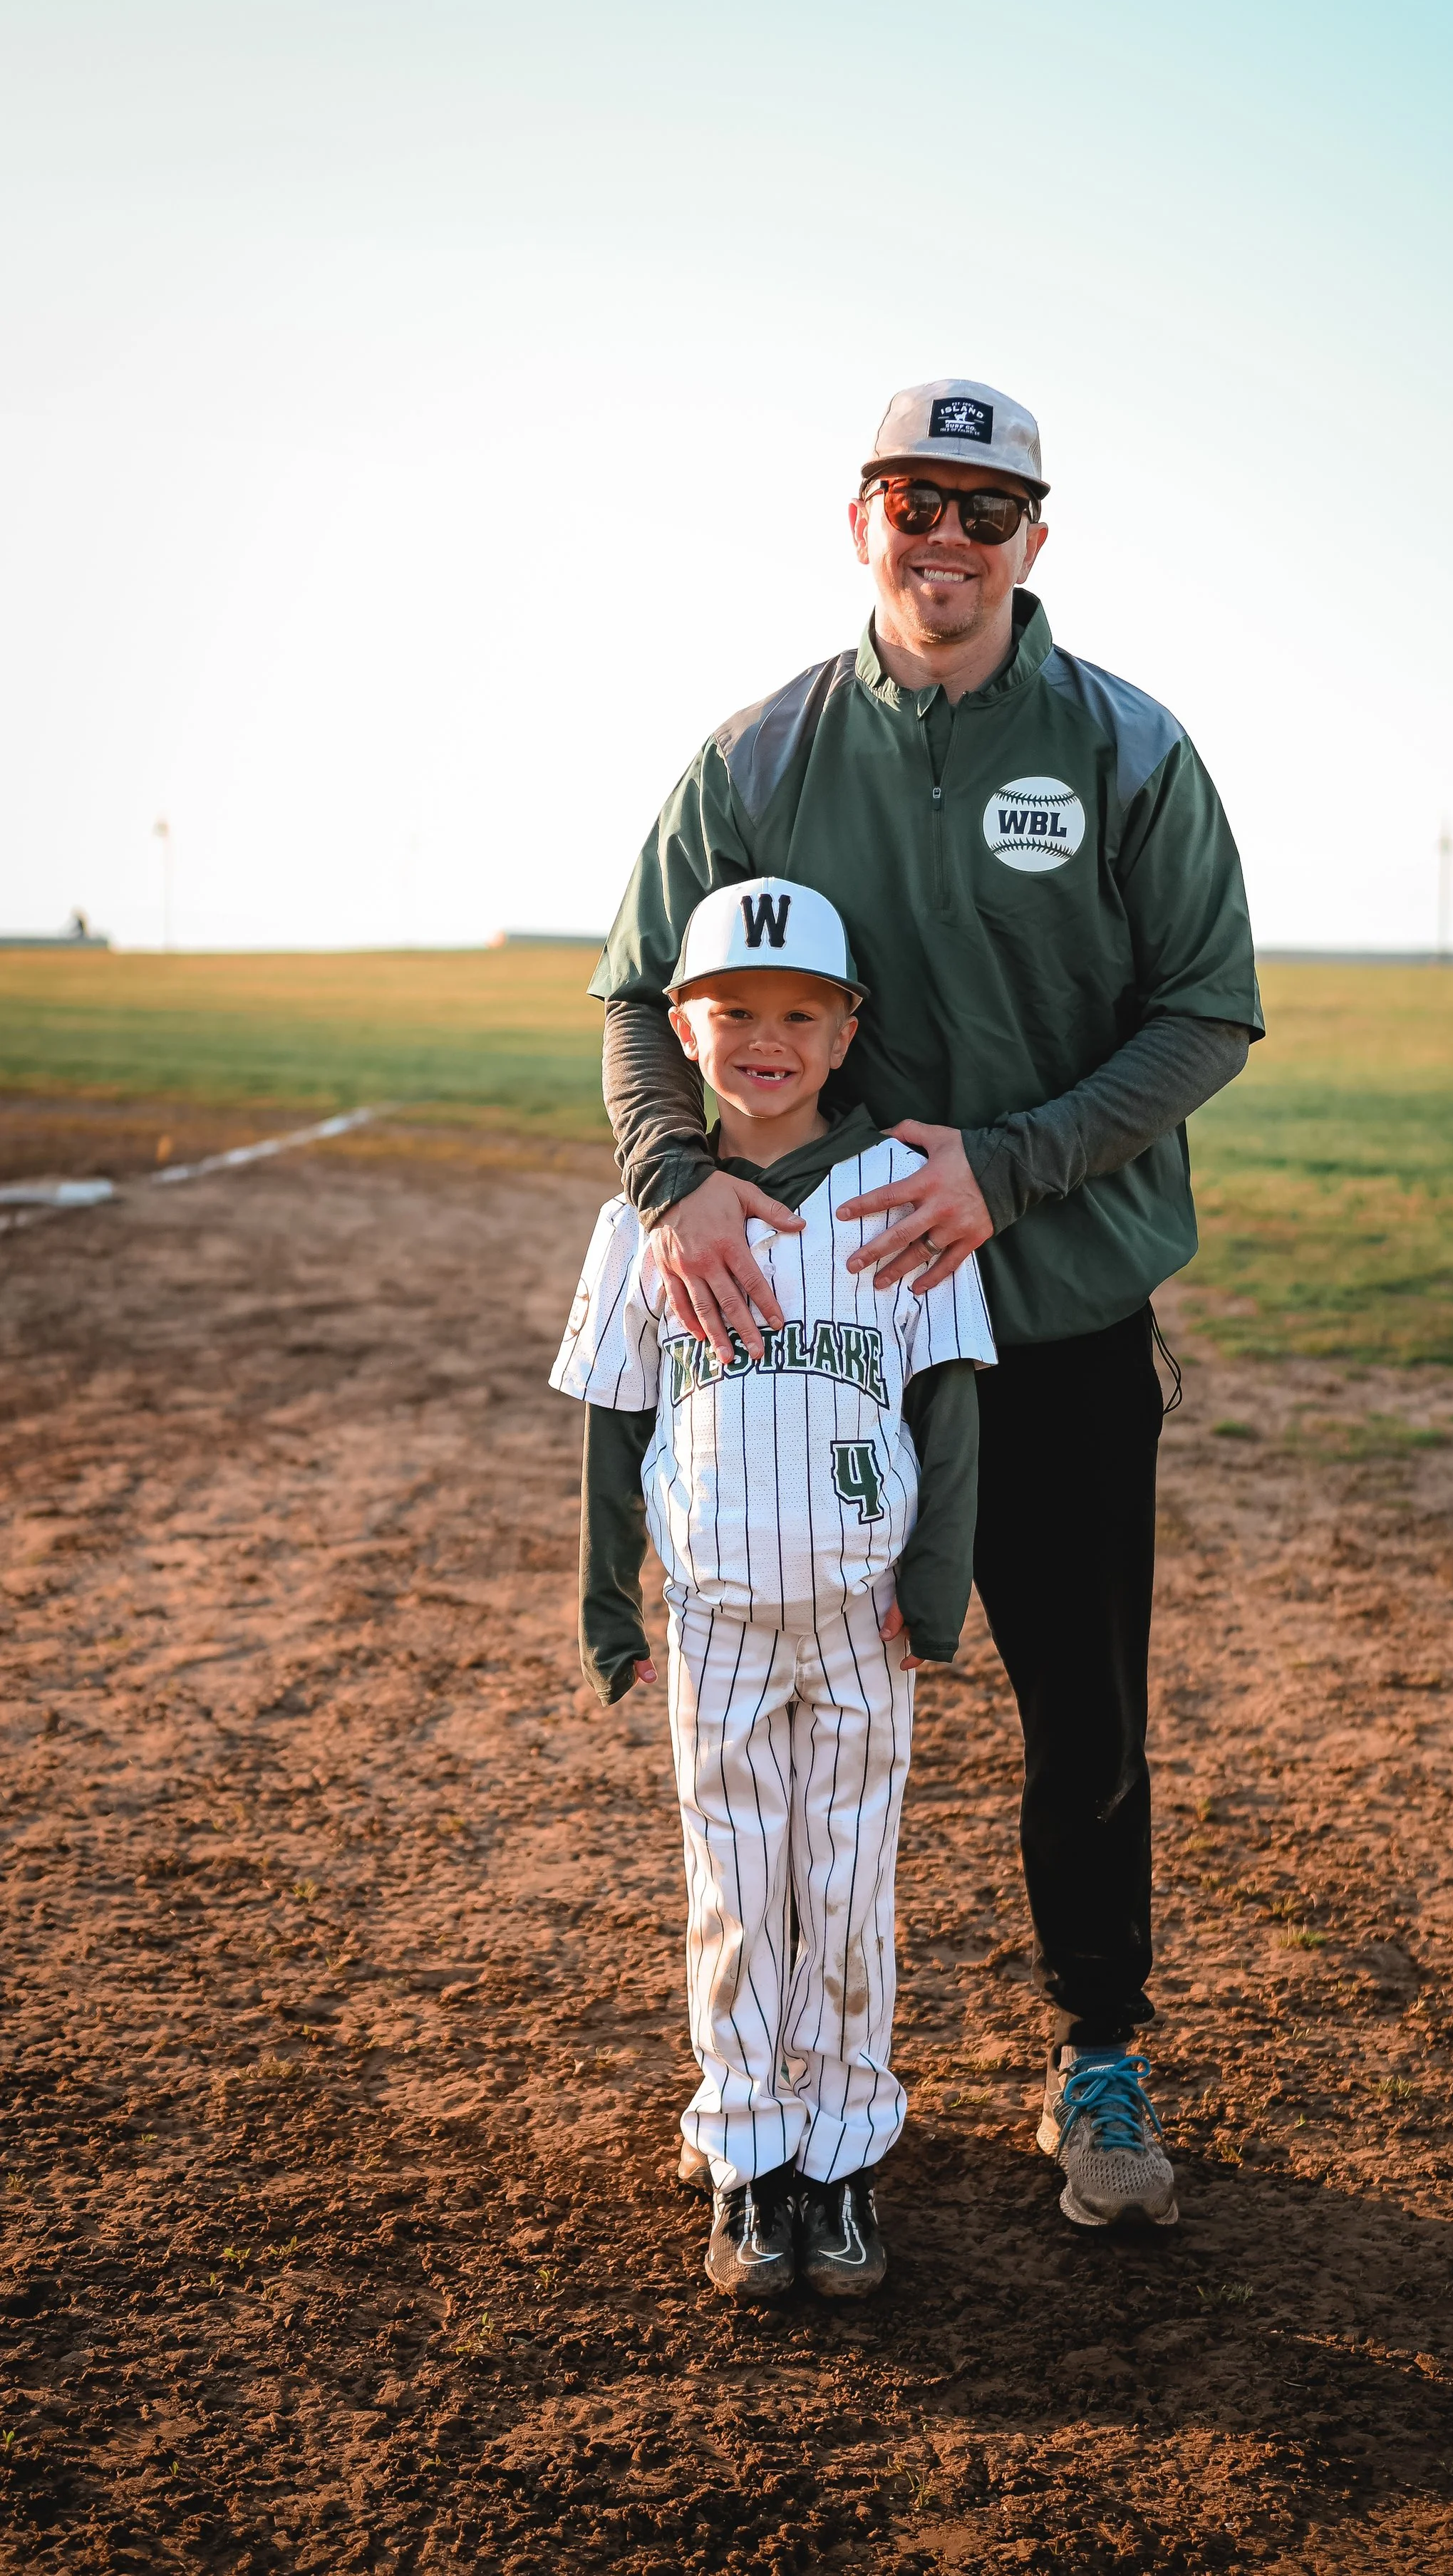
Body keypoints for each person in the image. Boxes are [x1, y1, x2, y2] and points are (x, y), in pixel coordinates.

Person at [594, 378, 1262, 2230]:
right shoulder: (756, 760)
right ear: (859, 517)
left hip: (1050, 1318)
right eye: (914, 497)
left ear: (1034, 540)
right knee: (800, 1725)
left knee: (1083, 1712)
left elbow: (1204, 1014)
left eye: (986, 507)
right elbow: (641, 1003)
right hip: (828, 1351)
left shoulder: (1127, 753)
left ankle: (1099, 2057)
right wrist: (679, 1178)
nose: (945, 537)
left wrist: (1015, 1161)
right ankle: (792, 2086)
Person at [551, 878, 994, 2301]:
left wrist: (935, 1589)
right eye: (732, 1011)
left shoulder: (898, 1193)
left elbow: (947, 1407)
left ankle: (841, 2154)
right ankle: (750, 2159)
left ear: (846, 1030)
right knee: (737, 1887)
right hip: (716, 1618)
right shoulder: (646, 1221)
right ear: (679, 1024)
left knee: (846, 1886)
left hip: (863, 1618)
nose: (765, 1039)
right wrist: (607, 1604)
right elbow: (615, 1420)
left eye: (800, 1014)